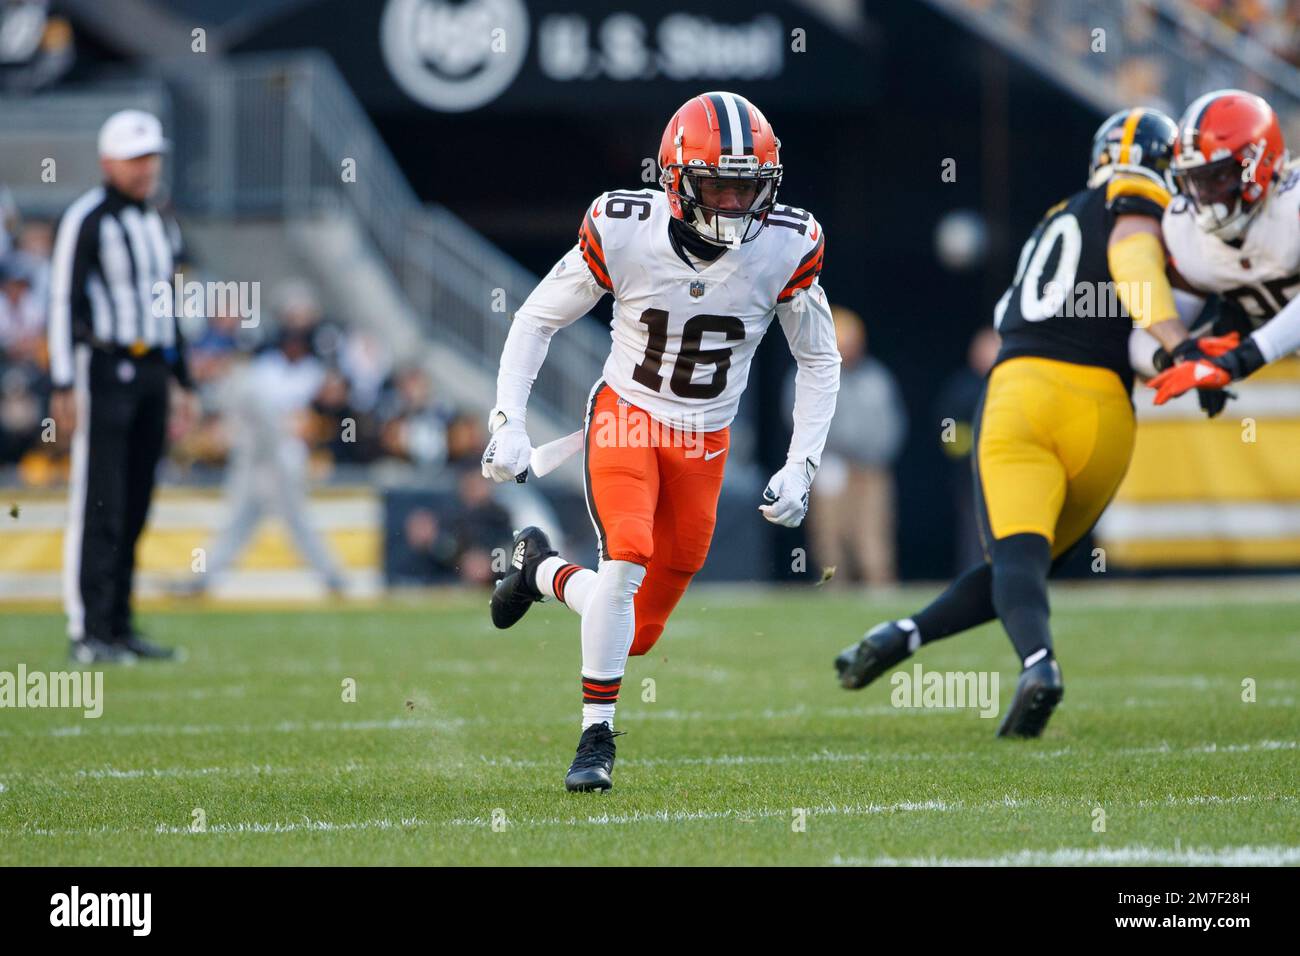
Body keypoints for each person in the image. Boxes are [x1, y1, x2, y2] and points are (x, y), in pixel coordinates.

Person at [481, 91, 840, 791]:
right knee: (627, 558)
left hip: (705, 439)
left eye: (749, 187)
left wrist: (804, 466)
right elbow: (537, 318)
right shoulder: (624, 229)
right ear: (677, 180)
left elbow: (819, 359)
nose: (736, 204)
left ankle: (539, 571)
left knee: (638, 632)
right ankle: (596, 739)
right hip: (627, 415)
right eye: (719, 186)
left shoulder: (788, 245)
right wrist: (508, 420)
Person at [834, 107, 1225, 737]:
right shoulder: (1154, 206)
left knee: (1016, 558)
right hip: (1104, 414)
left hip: (1022, 391)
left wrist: (1178, 344)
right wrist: (1186, 351)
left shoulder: (1059, 218)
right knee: (1024, 564)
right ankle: (904, 635)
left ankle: (1039, 665)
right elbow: (1135, 296)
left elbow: (1126, 261)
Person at [48, 109, 195, 663]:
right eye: (136, 158)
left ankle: (120, 625)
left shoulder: (160, 219)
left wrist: (183, 379)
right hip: (104, 370)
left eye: (151, 156)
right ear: (109, 162)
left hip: (152, 369)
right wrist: (62, 380)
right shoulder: (87, 217)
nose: (146, 168)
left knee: (136, 501)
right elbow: (63, 300)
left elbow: (171, 305)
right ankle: (88, 629)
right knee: (99, 501)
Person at [785, 306, 905, 586]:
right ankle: (833, 594)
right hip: (830, 467)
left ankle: (880, 591)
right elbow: (797, 417)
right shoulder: (811, 374)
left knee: (873, 539)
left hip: (870, 469)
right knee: (829, 540)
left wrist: (875, 453)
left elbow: (892, 423)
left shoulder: (876, 377)